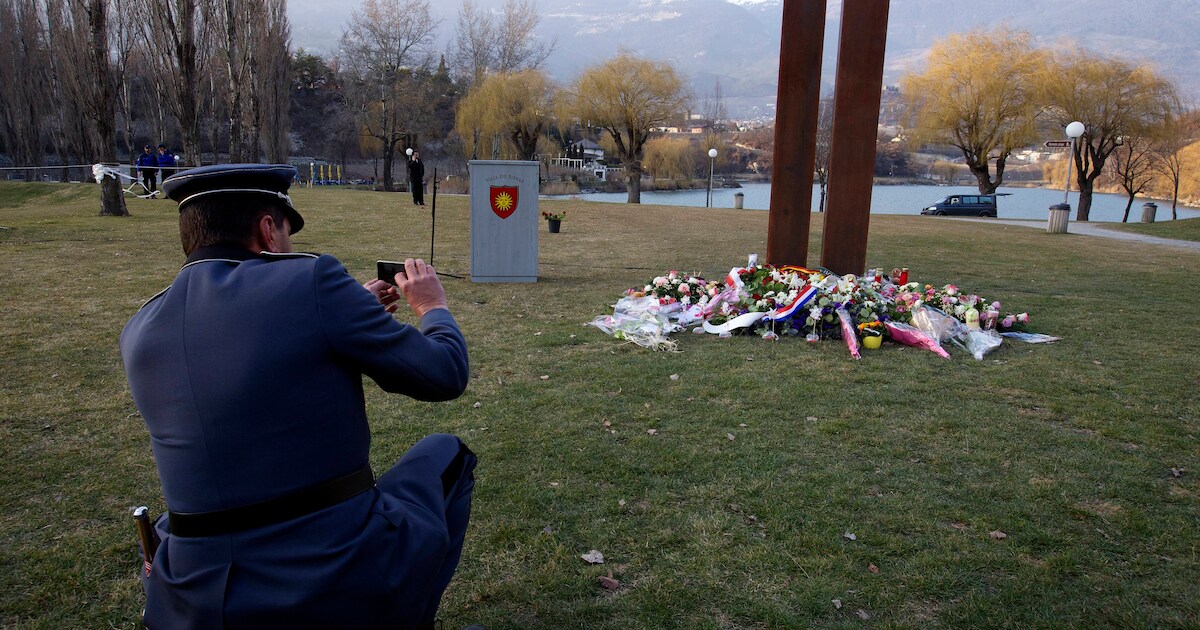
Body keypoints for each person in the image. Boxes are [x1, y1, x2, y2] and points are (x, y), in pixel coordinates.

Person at [120, 163, 476, 629]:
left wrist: (347, 313)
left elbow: (250, 358)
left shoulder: (140, 326)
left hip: (193, 595)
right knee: (448, 454)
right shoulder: (312, 280)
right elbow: (445, 373)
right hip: (328, 571)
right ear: (268, 229)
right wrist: (432, 307)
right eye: (287, 231)